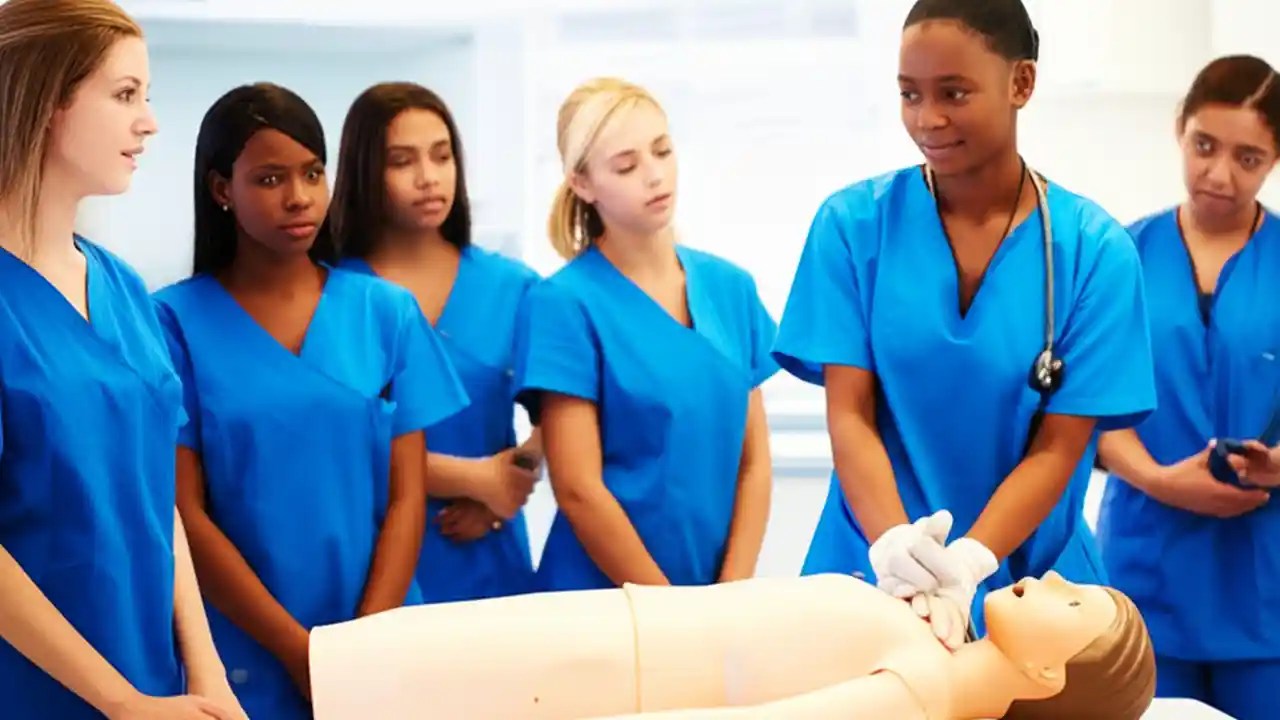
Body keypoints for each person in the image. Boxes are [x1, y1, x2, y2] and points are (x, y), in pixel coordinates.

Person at [771, 0, 1157, 647]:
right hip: (869, 568)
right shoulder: (852, 227)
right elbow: (850, 416)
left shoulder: (1094, 252)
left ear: (1021, 84)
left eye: (954, 92)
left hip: (1031, 591)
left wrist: (969, 567)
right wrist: (896, 551)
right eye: (909, 94)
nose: (928, 119)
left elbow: (1060, 446)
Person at [154, 82, 469, 719]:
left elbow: (408, 494)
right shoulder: (171, 322)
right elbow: (184, 512)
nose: (299, 197)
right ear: (222, 190)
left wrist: (361, 648)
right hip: (244, 653)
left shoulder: (384, 312)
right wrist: (299, 654)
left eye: (313, 173)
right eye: (270, 179)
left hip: (381, 646)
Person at [0, 1, 245, 718]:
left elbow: (153, 495)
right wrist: (120, 702)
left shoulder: (125, 288)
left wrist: (206, 675)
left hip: (154, 683)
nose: (151, 121)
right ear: (47, 101)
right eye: (125, 94)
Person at [514, 77, 778, 591]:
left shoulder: (730, 289)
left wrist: (732, 594)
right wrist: (670, 611)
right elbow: (578, 488)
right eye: (627, 165)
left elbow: (754, 463)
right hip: (603, 602)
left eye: (662, 151)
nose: (655, 176)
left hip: (716, 599)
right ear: (582, 184)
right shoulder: (564, 305)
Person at [308, 563, 1155, 720]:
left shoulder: (918, 695)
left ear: (1046, 676)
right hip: (609, 634)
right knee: (387, 663)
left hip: (596, 676)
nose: (1050, 580)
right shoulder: (928, 650)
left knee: (389, 679)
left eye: (1075, 604)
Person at [1095, 54, 1280, 720]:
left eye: (1249, 158)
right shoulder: (1119, 256)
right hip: (1146, 570)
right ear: (1180, 128)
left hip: (1263, 586)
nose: (1219, 174)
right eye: (1205, 145)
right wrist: (1160, 480)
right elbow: (1082, 412)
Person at [332, 82, 541, 603]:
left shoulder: (513, 288)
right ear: (365, 174)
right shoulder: (331, 294)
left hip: (489, 558)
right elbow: (333, 445)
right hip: (371, 559)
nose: (429, 178)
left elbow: (563, 419)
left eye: (442, 156)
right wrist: (473, 480)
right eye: (403, 161)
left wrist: (504, 493)